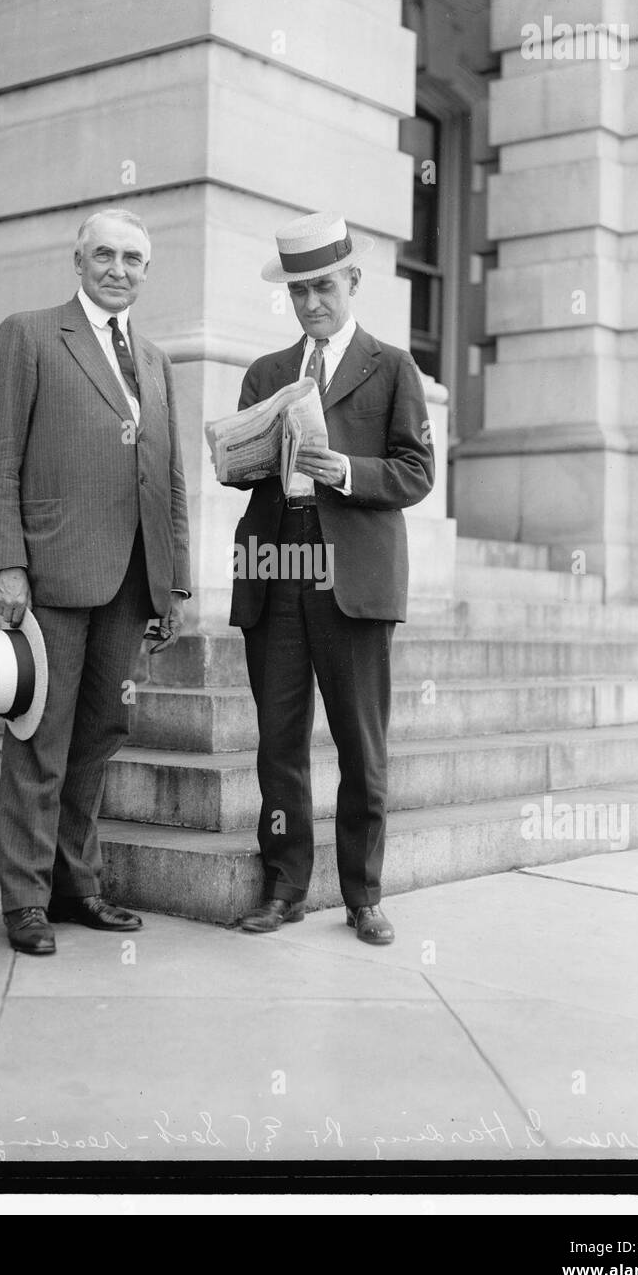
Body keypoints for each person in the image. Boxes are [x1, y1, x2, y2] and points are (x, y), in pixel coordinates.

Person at [0, 208, 191, 955]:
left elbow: (171, 484)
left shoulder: (156, 361)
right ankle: (24, 902)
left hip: (132, 584)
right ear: (77, 261)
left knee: (100, 734)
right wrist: (5, 563)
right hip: (53, 578)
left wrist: (176, 587)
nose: (117, 268)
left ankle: (76, 886)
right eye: (103, 255)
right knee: (40, 739)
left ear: (147, 271)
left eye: (132, 258)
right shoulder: (28, 336)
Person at [229, 211, 434, 944]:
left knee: (360, 743)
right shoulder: (266, 373)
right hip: (275, 564)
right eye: (297, 293)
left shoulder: (391, 367)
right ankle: (282, 888)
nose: (311, 304)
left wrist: (344, 470)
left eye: (322, 287)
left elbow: (416, 471)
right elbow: (240, 472)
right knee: (278, 743)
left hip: (353, 574)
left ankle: (362, 895)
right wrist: (242, 459)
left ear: (351, 281)